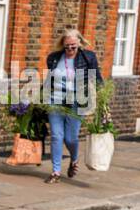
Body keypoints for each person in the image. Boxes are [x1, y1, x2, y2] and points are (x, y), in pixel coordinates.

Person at [43, 28, 102, 184]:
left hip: (77, 101)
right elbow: (49, 78)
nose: (70, 49)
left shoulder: (88, 57)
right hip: (55, 100)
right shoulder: (54, 58)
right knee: (56, 136)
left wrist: (102, 97)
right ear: (63, 44)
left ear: (79, 44)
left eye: (73, 46)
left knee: (70, 138)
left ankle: (74, 159)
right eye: (67, 46)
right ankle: (56, 172)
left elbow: (97, 78)